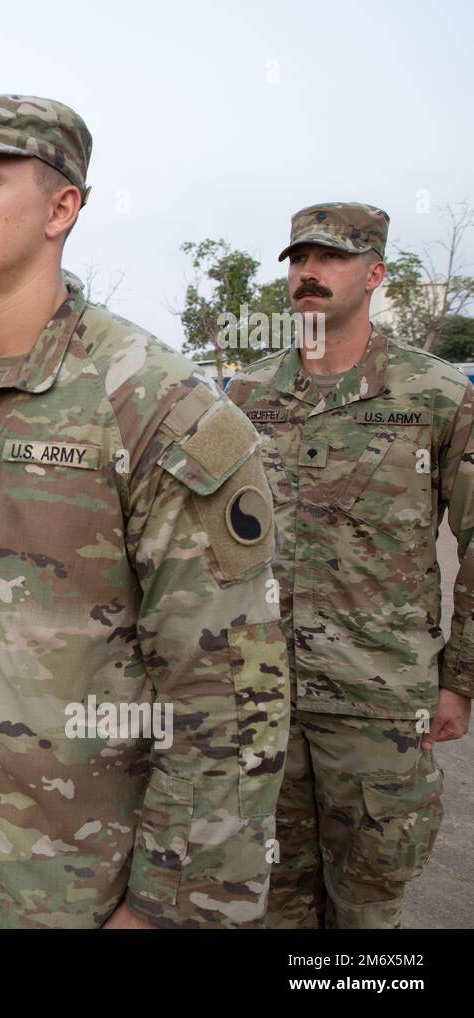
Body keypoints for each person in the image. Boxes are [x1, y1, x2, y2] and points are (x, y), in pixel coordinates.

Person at [0, 94, 288, 928]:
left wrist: (168, 907)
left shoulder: (159, 405)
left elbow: (229, 692)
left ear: (62, 208)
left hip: (78, 888)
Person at [226, 202, 473, 929]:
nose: (309, 273)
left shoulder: (436, 395)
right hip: (261, 697)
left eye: (330, 259)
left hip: (377, 698)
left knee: (368, 905)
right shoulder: (245, 396)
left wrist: (460, 678)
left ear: (375, 274)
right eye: (299, 259)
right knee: (273, 900)